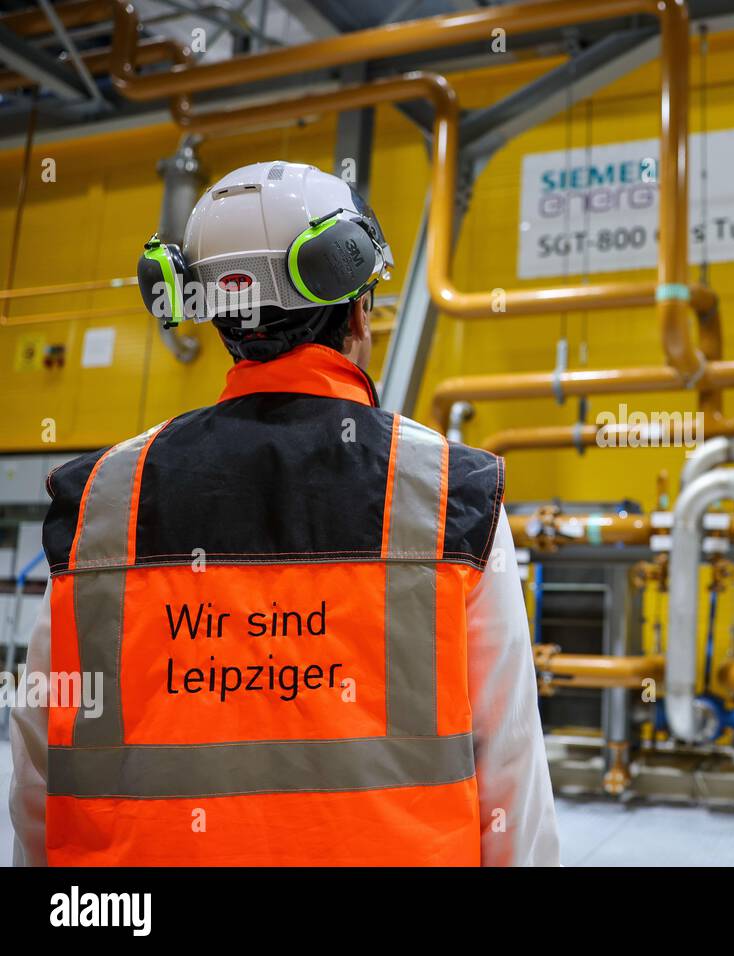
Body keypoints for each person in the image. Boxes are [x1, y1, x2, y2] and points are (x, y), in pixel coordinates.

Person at [8, 161, 559, 866]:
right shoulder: (451, 490)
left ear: (209, 316)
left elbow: (36, 771)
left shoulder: (97, 501)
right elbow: (512, 774)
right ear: (358, 311)